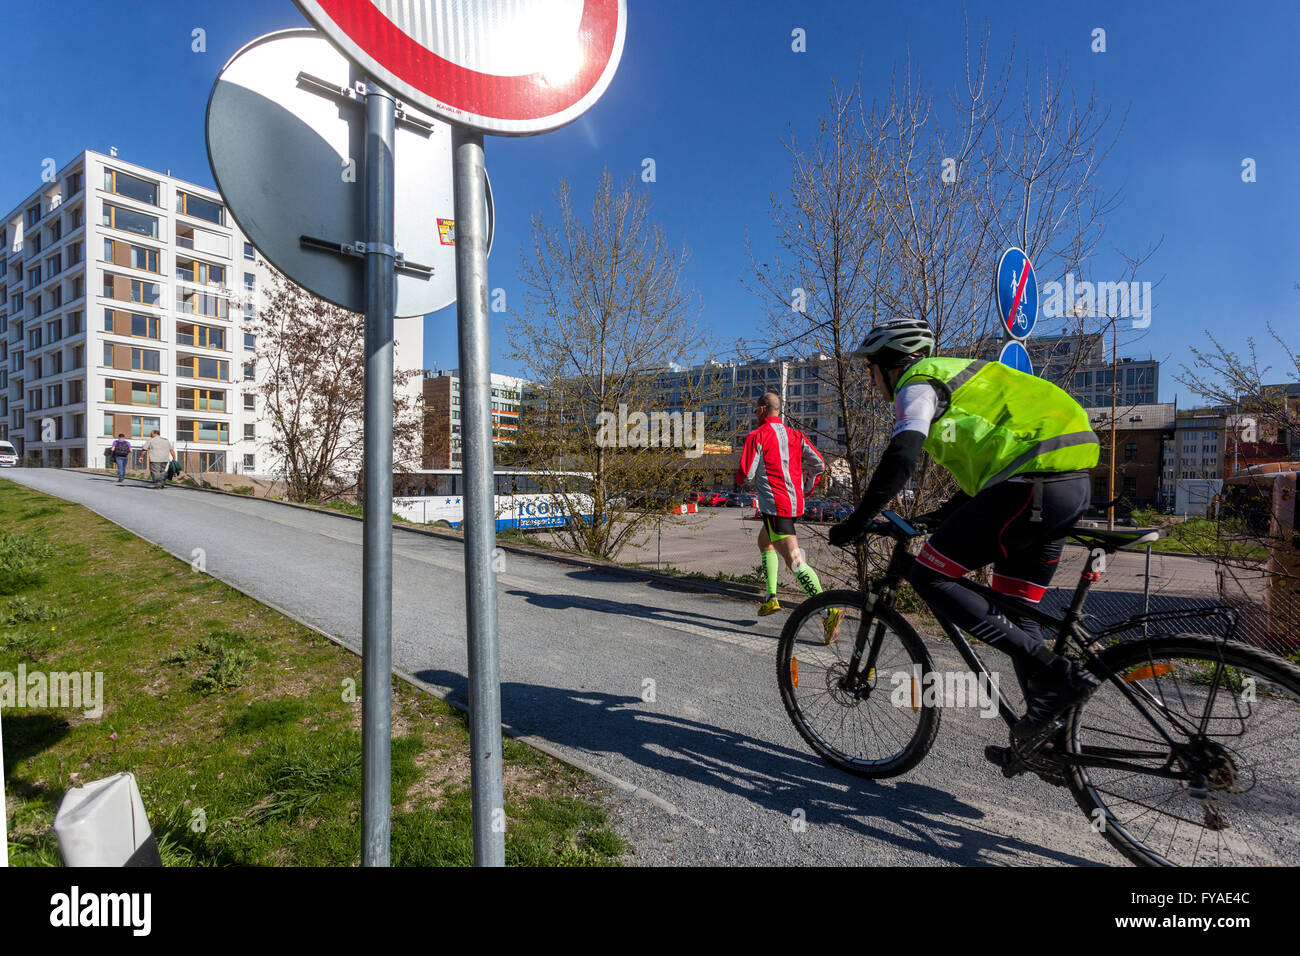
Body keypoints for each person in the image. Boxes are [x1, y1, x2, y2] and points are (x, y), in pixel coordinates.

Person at [828, 318, 1101, 753]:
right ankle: (1050, 738)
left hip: (1029, 488)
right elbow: (988, 476)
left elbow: (902, 454)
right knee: (1019, 616)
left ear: (888, 365)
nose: (869, 379)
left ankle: (1054, 673)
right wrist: (937, 517)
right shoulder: (968, 378)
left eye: (869, 369)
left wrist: (857, 520)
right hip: (1067, 485)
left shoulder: (917, 383)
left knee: (927, 576)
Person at [736, 392, 842, 642]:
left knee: (795, 561)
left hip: (775, 506)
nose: (754, 413)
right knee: (765, 542)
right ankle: (771, 598)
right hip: (794, 504)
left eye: (755, 409)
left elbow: (746, 472)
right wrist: (806, 487)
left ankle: (829, 611)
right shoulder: (796, 435)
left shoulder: (757, 435)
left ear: (762, 409)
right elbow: (819, 465)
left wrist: (742, 480)